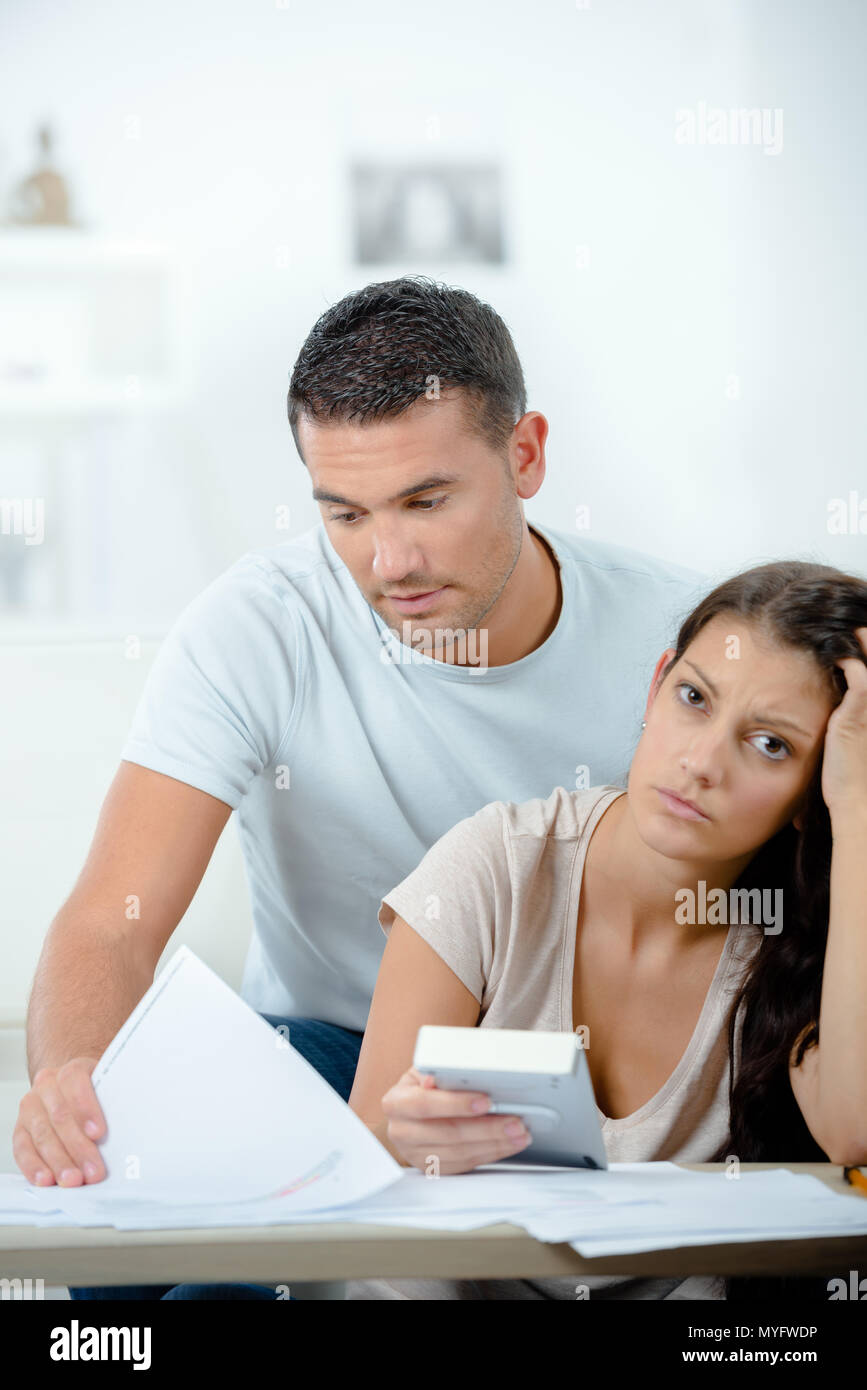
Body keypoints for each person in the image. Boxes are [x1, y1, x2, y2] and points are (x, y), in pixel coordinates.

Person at [15, 274, 706, 1299]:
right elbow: (110, 923)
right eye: (345, 513)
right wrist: (73, 1079)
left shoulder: (679, 644)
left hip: (558, 1059)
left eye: (427, 500)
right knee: (123, 1264)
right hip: (316, 1052)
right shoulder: (259, 625)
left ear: (525, 455)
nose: (389, 560)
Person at [345, 561, 867, 1300]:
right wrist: (405, 1139)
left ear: (815, 791)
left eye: (770, 744)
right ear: (655, 685)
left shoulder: (810, 937)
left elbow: (852, 1131)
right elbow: (367, 1150)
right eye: (693, 699)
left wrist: (859, 809)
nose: (699, 762)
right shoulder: (496, 864)